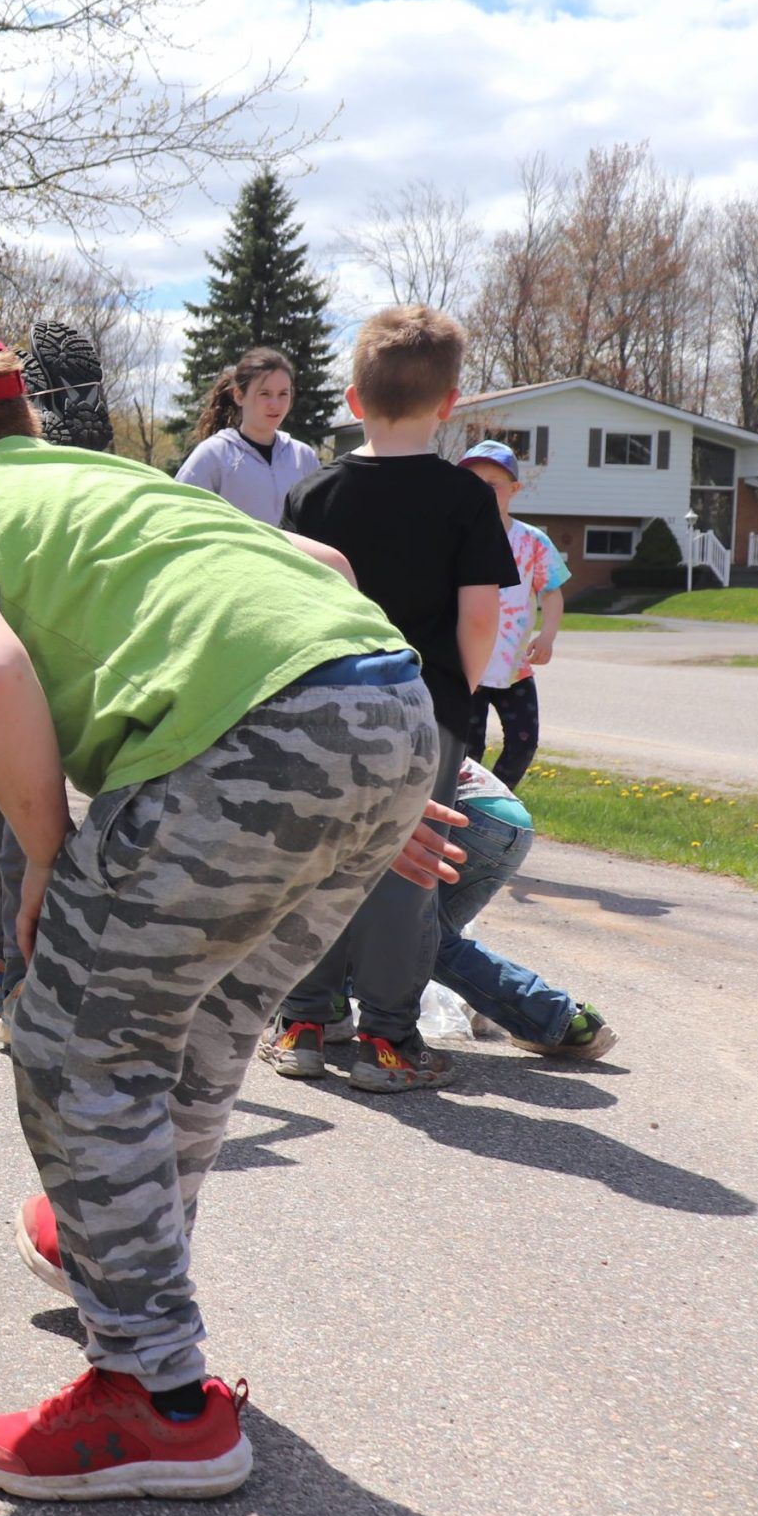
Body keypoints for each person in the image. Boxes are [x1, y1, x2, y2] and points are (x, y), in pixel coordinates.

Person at [0, 316, 458, 1503]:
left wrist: (43, 852)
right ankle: (106, 1237)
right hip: (382, 704)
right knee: (204, 1030)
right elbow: (320, 577)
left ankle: (154, 1396)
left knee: (73, 1042)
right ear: (21, 423)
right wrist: (371, 774)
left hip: (251, 740)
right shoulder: (108, 480)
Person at [262, 307, 519, 1094]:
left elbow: (288, 602)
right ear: (449, 404)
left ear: (351, 398)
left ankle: (303, 1020)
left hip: (327, 701)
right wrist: (462, 689)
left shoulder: (313, 492)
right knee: (408, 866)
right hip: (425, 706)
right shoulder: (466, 499)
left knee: (320, 855)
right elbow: (482, 613)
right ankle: (386, 1039)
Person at [434, 760, 616, 1058]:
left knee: (417, 938)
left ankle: (558, 1019)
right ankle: (566, 1020)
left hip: (468, 818)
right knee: (423, 935)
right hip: (504, 810)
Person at [455, 439, 566, 787]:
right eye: (473, 484)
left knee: (523, 742)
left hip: (515, 668)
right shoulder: (455, 538)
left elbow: (551, 593)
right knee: (465, 751)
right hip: (466, 665)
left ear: (514, 489)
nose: (482, 492)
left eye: (493, 485)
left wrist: (547, 635)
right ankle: (462, 810)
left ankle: (496, 802)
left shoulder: (532, 541)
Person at [172, 346, 321, 525]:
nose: (275, 404)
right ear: (239, 396)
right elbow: (177, 517)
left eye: (283, 394)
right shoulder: (213, 456)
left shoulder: (304, 457)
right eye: (264, 394)